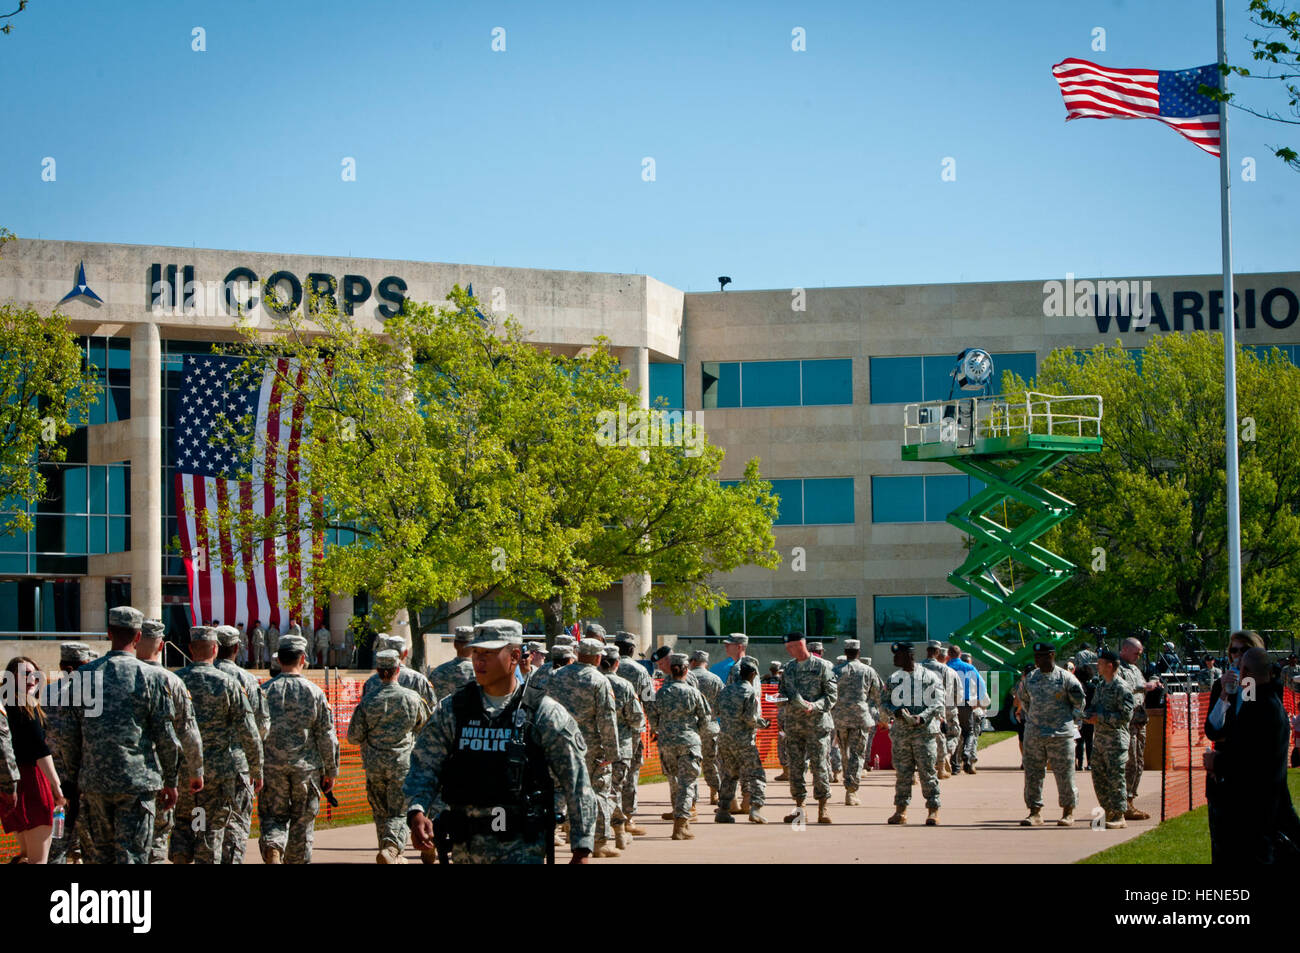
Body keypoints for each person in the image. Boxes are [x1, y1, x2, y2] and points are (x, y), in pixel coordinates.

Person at [405, 620, 598, 864]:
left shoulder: (543, 713)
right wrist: (417, 811)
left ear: (515, 656)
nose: (479, 660)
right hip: (465, 849)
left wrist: (582, 848)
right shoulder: (453, 710)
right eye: (476, 652)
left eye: (489, 653)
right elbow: (424, 765)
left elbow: (577, 782)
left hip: (523, 850)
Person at [64, 606, 186, 864]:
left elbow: (69, 735)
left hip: (94, 781)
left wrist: (76, 776)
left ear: (109, 633)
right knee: (132, 856)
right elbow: (166, 734)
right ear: (138, 637)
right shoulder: (152, 677)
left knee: (99, 858)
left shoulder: (83, 676)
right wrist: (172, 780)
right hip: (137, 783)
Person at [171, 626, 263, 864]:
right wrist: (257, 769)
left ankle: (181, 857)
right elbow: (250, 731)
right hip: (219, 773)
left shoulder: (174, 681)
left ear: (190, 649)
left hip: (183, 769)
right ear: (215, 649)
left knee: (185, 822)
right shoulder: (228, 684)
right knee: (211, 828)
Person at [1203, 646, 1298, 863]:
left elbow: (1251, 757)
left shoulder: (1261, 708)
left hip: (1253, 808)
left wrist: (1217, 762)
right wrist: (1225, 693)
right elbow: (1217, 729)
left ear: (1246, 671)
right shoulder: (1263, 698)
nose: (1235, 664)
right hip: (1254, 804)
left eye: (1240, 661)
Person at [258, 634, 338, 863]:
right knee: (303, 823)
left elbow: (255, 733)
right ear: (303, 658)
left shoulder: (264, 691)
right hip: (306, 769)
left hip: (272, 767)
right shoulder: (315, 693)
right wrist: (331, 770)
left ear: (278, 659)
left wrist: (255, 767)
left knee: (273, 816)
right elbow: (327, 735)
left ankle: (273, 846)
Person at [348, 649, 429, 863]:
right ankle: (392, 848)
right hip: (402, 764)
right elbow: (426, 729)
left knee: (381, 812)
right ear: (397, 670)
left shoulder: (367, 701)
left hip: (374, 765)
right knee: (400, 812)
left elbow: (353, 737)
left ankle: (391, 852)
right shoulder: (412, 698)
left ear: (378, 671)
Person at [547, 635, 623, 857]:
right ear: (598, 658)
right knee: (597, 791)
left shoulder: (556, 676)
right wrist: (612, 752)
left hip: (557, 743)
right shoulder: (599, 681)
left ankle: (546, 834)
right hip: (589, 747)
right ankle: (599, 843)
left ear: (578, 654)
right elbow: (607, 719)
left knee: (558, 791)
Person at [137, 618, 205, 863]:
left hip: (111, 775)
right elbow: (188, 731)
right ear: (161, 646)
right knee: (156, 839)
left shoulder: (111, 675)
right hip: (157, 775)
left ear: (136, 642)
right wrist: (196, 771)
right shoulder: (171, 681)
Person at [1, 657, 65, 863]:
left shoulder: (5, 707)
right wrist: (57, 788)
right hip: (33, 785)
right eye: (25, 674)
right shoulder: (25, 708)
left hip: (11, 787)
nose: (32, 678)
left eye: (35, 673)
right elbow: (41, 751)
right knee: (38, 860)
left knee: (25, 856)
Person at [213, 624, 268, 864]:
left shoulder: (193, 676)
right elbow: (261, 727)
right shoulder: (247, 680)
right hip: (238, 764)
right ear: (237, 648)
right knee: (235, 826)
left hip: (200, 767)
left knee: (204, 826)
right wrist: (256, 766)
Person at [1017, 642, 1085, 827]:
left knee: (1065, 775)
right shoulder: (1030, 678)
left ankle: (1068, 811)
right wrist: (1035, 720)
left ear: (1052, 655)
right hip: (1035, 735)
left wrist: (1070, 723)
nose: (1038, 660)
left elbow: (1079, 704)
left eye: (1043, 656)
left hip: (1060, 736)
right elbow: (1024, 701)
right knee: (1033, 775)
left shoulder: (1065, 678)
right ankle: (1034, 812)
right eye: (1036, 656)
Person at [648, 652, 711, 840]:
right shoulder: (693, 692)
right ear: (685, 670)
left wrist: (661, 729)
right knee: (687, 782)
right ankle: (681, 824)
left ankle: (678, 815)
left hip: (666, 742)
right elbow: (705, 718)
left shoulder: (662, 692)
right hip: (689, 742)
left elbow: (653, 717)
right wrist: (695, 732)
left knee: (674, 781)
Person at [45, 642, 97, 864]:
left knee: (57, 845)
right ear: (85, 666)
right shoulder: (91, 696)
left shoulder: (46, 693)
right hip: (84, 781)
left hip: (55, 780)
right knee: (91, 848)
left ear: (61, 665)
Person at [778, 631, 838, 824]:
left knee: (820, 766)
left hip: (817, 725)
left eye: (791, 647)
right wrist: (779, 700)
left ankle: (823, 808)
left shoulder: (823, 666)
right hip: (794, 726)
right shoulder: (788, 668)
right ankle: (799, 809)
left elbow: (831, 696)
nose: (788, 651)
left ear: (801, 644)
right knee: (795, 768)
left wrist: (814, 706)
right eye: (787, 648)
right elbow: (782, 692)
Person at [882, 642, 943, 825]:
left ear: (909, 655)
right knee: (902, 773)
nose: (894, 659)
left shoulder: (929, 676)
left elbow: (938, 702)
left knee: (927, 772)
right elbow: (883, 703)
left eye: (898, 655)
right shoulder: (893, 679)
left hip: (923, 733)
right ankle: (901, 811)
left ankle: (933, 810)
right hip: (901, 734)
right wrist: (895, 711)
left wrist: (922, 717)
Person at [598, 645, 644, 849]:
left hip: (594, 745)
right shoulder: (624, 685)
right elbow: (636, 718)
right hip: (620, 745)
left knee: (596, 790)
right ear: (617, 663)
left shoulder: (592, 682)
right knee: (613, 790)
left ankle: (602, 833)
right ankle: (614, 833)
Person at [714, 656, 770, 824]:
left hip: (725, 738)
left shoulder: (725, 690)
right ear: (753, 674)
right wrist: (764, 723)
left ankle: (723, 810)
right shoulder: (749, 691)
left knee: (729, 775)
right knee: (756, 774)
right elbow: (750, 718)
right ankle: (755, 809)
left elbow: (716, 711)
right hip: (744, 740)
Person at [1083, 649, 1134, 829]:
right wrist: (1087, 715)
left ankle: (1120, 815)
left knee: (1116, 779)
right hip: (1100, 742)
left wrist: (1101, 718)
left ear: (1110, 665)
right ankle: (1109, 812)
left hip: (1115, 741)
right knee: (1099, 778)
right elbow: (1095, 706)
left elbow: (1126, 716)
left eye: (1100, 663)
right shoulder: (1101, 686)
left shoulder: (1122, 687)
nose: (1097, 666)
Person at [610, 632, 652, 835]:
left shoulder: (601, 669)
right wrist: (655, 724)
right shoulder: (639, 670)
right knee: (631, 773)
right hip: (632, 730)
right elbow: (649, 700)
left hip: (605, 729)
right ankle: (628, 818)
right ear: (632, 649)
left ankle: (609, 816)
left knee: (607, 775)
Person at [831, 639, 882, 804]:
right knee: (857, 755)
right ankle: (851, 791)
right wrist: (883, 716)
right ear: (858, 652)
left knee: (844, 754)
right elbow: (878, 695)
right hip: (860, 718)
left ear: (845, 652)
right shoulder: (868, 671)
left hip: (840, 718)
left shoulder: (835, 671)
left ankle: (848, 784)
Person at [1117, 636, 1159, 821]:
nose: (1138, 657)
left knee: (1138, 762)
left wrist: (1153, 681)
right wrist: (1145, 685)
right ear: (1124, 650)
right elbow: (1122, 687)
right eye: (1135, 653)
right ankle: (1123, 802)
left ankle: (1130, 800)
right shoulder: (1117, 667)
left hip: (1140, 721)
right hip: (1127, 723)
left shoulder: (1135, 668)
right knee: (1130, 762)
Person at [362, 633, 438, 711]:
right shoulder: (418, 679)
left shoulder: (371, 682)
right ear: (405, 653)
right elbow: (432, 709)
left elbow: (362, 711)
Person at [688, 650, 725, 806]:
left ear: (693, 661)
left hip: (691, 727)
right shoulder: (715, 679)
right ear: (706, 662)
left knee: (690, 763)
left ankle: (692, 799)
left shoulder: (688, 677)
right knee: (711, 762)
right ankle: (715, 792)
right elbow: (723, 702)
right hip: (710, 726)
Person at [921, 641, 961, 780]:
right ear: (938, 652)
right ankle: (942, 763)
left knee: (918, 738)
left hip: (920, 708)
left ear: (927, 650)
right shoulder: (946, 670)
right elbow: (956, 694)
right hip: (942, 707)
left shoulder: (918, 667)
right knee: (946, 735)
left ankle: (919, 770)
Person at [946, 644, 989, 774]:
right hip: (965, 704)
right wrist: (979, 701)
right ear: (960, 655)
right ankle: (966, 752)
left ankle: (955, 766)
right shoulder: (969, 668)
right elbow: (981, 685)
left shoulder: (946, 668)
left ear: (948, 654)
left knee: (953, 734)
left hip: (949, 704)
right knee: (969, 731)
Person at [427, 626, 476, 700]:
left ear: (455, 645)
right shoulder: (480, 673)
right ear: (474, 645)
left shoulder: (438, 671)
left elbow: (429, 701)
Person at [1076, 664, 1097, 771]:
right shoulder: (1092, 687)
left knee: (1079, 741)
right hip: (1089, 715)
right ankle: (1090, 763)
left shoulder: (1076, 686)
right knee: (1089, 741)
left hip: (1079, 715)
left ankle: (1079, 763)